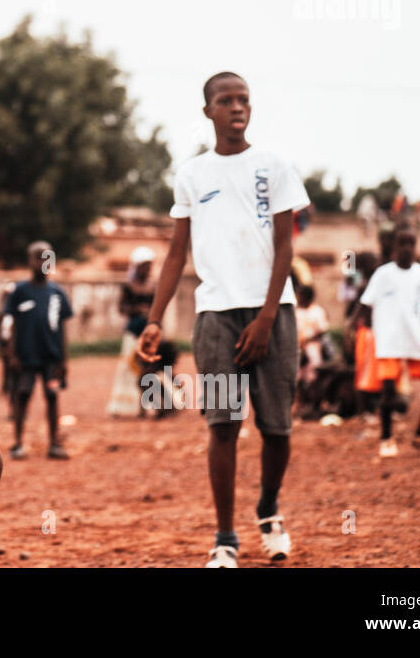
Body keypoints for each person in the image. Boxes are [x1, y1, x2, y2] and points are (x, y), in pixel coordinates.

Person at [138, 71, 309, 568]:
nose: (237, 108)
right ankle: (225, 538)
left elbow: (285, 246)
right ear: (208, 111)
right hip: (215, 318)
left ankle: (269, 509)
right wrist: (154, 319)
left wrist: (266, 318)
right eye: (226, 101)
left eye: (244, 100)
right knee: (223, 426)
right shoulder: (193, 175)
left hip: (273, 314)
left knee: (277, 429)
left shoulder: (273, 166)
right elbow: (175, 255)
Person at [351, 226, 420, 456]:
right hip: (389, 342)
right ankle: (386, 439)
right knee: (389, 393)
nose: (407, 248)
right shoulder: (383, 274)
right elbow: (364, 304)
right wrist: (350, 329)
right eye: (402, 243)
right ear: (394, 248)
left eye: (411, 243)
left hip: (417, 341)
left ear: (416, 247)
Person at [3, 241, 73, 459]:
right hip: (25, 355)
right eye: (39, 257)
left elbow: (62, 329)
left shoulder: (57, 293)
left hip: (51, 355)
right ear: (30, 261)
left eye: (47, 257)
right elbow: (12, 324)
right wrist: (12, 354)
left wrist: (64, 360)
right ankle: (17, 443)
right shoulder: (19, 291)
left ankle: (54, 443)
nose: (44, 262)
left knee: (52, 396)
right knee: (22, 395)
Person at [108, 246, 157, 417]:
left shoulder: (152, 287)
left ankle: (145, 407)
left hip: (148, 333)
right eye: (145, 265)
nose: (147, 269)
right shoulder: (128, 286)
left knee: (148, 369)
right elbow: (122, 308)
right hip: (133, 332)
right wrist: (138, 310)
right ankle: (122, 406)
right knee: (128, 369)